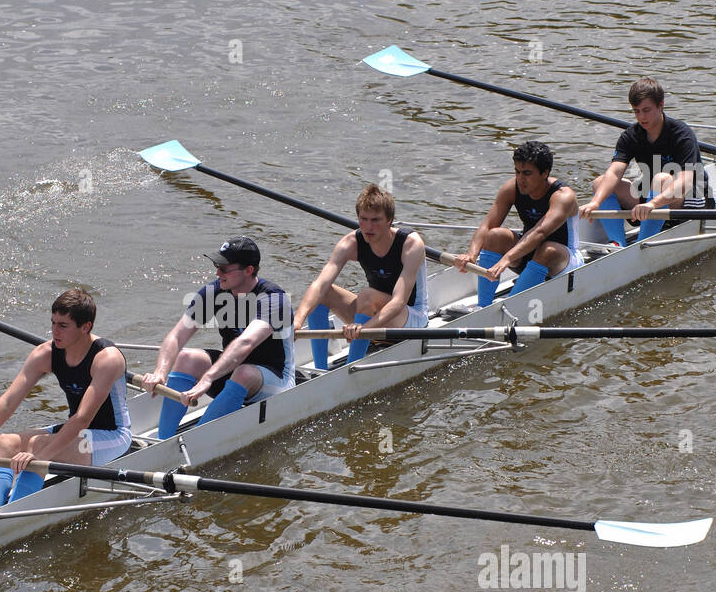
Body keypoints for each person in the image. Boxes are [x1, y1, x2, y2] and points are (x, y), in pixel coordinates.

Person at [0, 288, 131, 512]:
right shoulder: (46, 353)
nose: (54, 331)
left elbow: (82, 419)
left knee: (38, 445)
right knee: (4, 442)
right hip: (77, 435)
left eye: (63, 325)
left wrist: (38, 457)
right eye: (53, 322)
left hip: (113, 435)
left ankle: (12, 513)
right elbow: (8, 401)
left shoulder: (107, 358)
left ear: (86, 327)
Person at [141, 237, 294, 439]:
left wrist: (207, 379)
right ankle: (164, 440)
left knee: (243, 373)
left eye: (224, 268)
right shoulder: (215, 291)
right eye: (216, 266)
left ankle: (196, 442)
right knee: (185, 358)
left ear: (249, 270)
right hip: (233, 371)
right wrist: (161, 372)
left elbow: (245, 343)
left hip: (276, 381)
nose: (217, 273)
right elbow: (177, 336)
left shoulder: (274, 299)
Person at [293, 184, 428, 367]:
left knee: (366, 295)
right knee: (323, 293)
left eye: (376, 220)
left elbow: (398, 302)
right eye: (363, 219)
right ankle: (320, 370)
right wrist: (298, 321)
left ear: (390, 220)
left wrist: (364, 329)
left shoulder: (411, 245)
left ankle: (352, 367)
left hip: (411, 318)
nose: (368, 227)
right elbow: (320, 284)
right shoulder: (351, 242)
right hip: (374, 315)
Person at [579, 77, 713, 244]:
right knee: (600, 182)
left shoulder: (681, 134)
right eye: (636, 111)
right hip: (655, 200)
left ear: (661, 105)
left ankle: (643, 245)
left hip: (692, 200)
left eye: (646, 110)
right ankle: (618, 245)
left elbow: (685, 182)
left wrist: (653, 204)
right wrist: (595, 202)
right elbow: (614, 172)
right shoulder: (631, 136)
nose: (641, 117)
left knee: (661, 179)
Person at [454, 142, 580, 308]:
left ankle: (511, 307)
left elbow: (539, 233)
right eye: (517, 171)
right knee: (494, 235)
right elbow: (487, 225)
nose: (520, 179)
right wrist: (471, 254)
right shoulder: (511, 188)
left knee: (547, 249)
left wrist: (506, 259)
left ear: (545, 173)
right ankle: (483, 307)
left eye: (527, 173)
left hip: (563, 261)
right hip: (528, 256)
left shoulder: (563, 196)